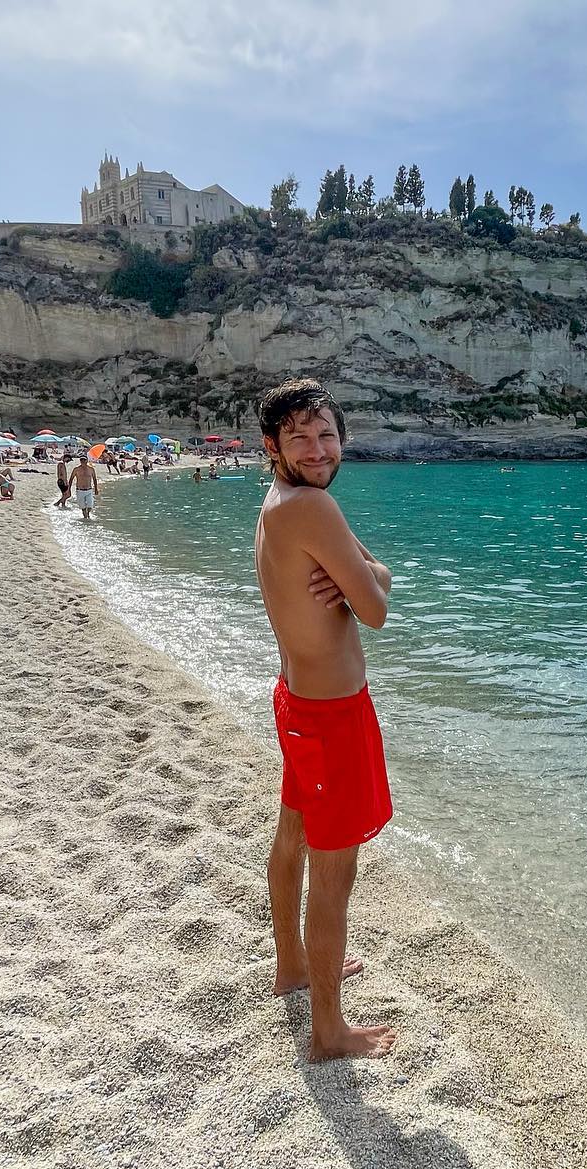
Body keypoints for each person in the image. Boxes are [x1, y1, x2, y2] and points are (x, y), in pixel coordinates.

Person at [253, 379, 395, 1062]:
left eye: (327, 434)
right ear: (272, 446)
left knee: (294, 838)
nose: (317, 448)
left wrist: (364, 576)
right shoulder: (313, 507)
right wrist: (363, 580)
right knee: (334, 877)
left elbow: (375, 577)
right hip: (331, 717)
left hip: (297, 702)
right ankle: (328, 1032)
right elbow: (376, 606)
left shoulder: (284, 502)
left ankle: (294, 967)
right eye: (300, 436)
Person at [70, 455, 98, 519]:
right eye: (81, 460)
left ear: (87, 460)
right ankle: (85, 518)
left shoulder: (91, 469)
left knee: (90, 506)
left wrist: (96, 489)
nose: (83, 461)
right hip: (80, 490)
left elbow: (94, 479)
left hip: (89, 490)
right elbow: (71, 479)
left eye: (84, 460)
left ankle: (88, 513)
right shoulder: (76, 469)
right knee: (82, 507)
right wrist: (69, 489)